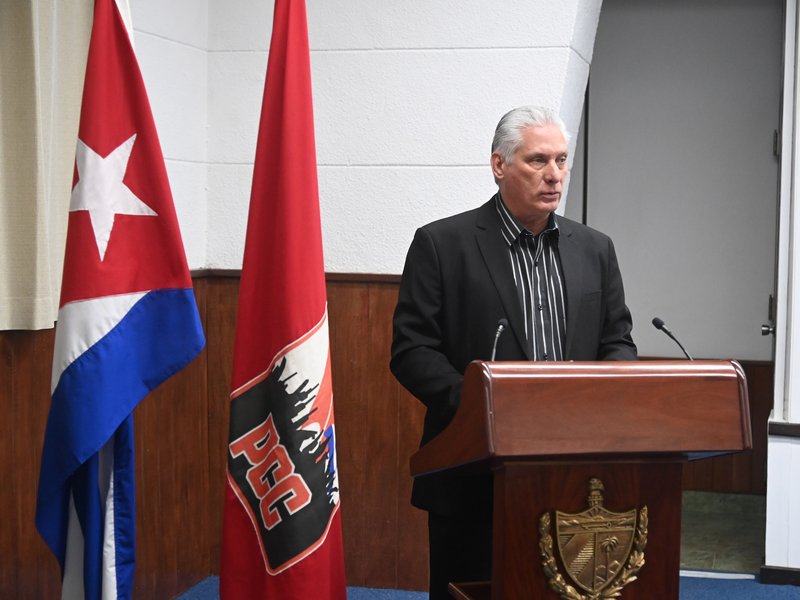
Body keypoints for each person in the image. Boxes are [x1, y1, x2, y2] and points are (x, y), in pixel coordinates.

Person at [389, 105, 637, 599]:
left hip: (573, 469)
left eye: (561, 160)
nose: (554, 174)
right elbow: (412, 349)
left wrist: (600, 397)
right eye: (538, 160)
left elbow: (618, 342)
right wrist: (480, 405)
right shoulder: (442, 244)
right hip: (474, 470)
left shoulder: (595, 248)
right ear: (499, 165)